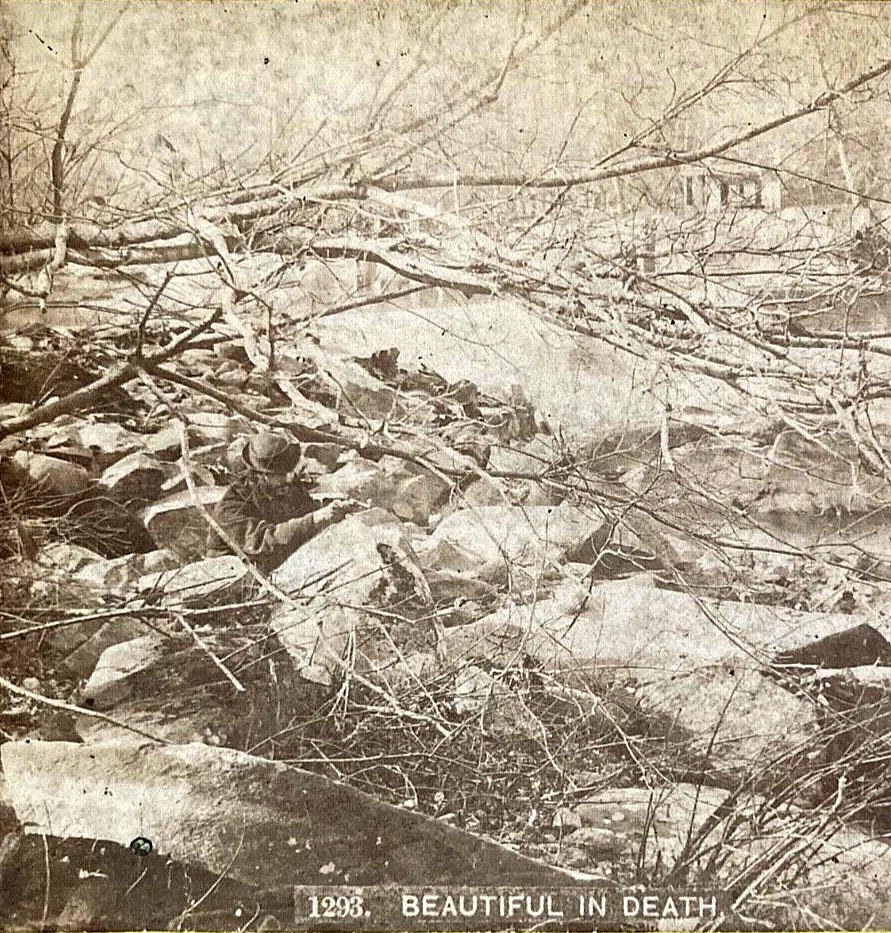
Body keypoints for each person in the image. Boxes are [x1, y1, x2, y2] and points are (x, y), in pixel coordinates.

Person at [206, 431, 358, 571]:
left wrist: (334, 510)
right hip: (235, 574)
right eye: (279, 475)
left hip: (273, 563)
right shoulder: (231, 506)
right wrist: (317, 518)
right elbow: (264, 540)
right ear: (260, 475)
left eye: (288, 471)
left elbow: (306, 510)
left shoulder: (284, 484)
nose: (288, 478)